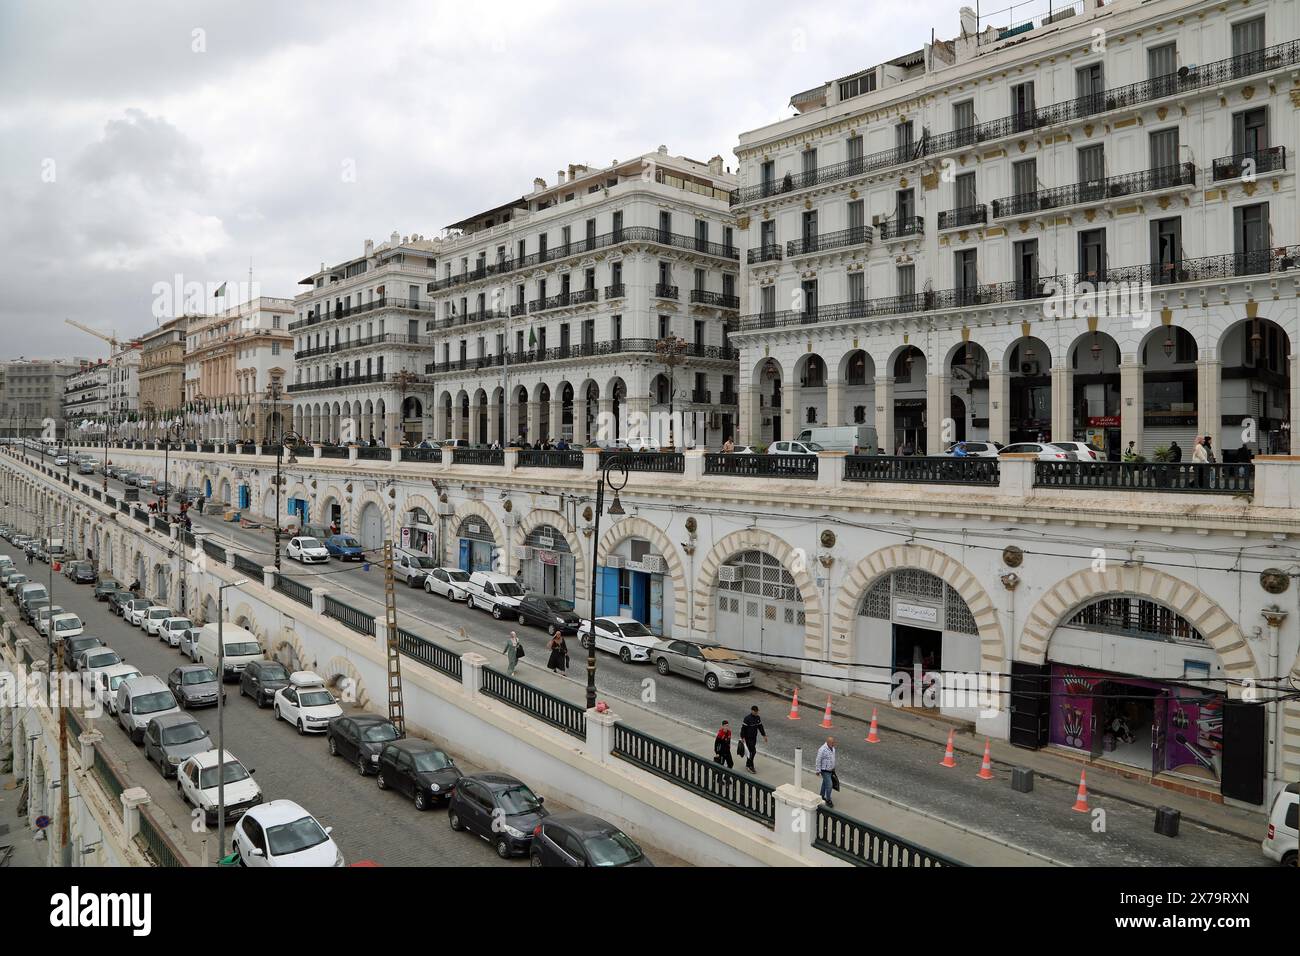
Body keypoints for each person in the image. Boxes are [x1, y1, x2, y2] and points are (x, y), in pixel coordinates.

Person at [740, 705, 767, 774]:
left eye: (757, 712)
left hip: (754, 738)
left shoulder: (758, 718)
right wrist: (742, 737)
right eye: (755, 712)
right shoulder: (747, 719)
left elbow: (760, 727)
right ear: (752, 711)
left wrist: (764, 735)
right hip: (748, 738)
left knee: (751, 752)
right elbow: (743, 729)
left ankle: (747, 764)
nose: (756, 713)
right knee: (753, 752)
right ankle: (750, 766)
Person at [816, 736, 837, 807]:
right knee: (829, 785)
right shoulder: (822, 750)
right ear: (827, 742)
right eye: (832, 743)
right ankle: (828, 800)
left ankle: (821, 796)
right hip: (824, 770)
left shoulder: (833, 748)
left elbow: (832, 758)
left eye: (833, 742)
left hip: (830, 770)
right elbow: (818, 760)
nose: (833, 744)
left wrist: (833, 767)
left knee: (825, 783)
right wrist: (818, 770)